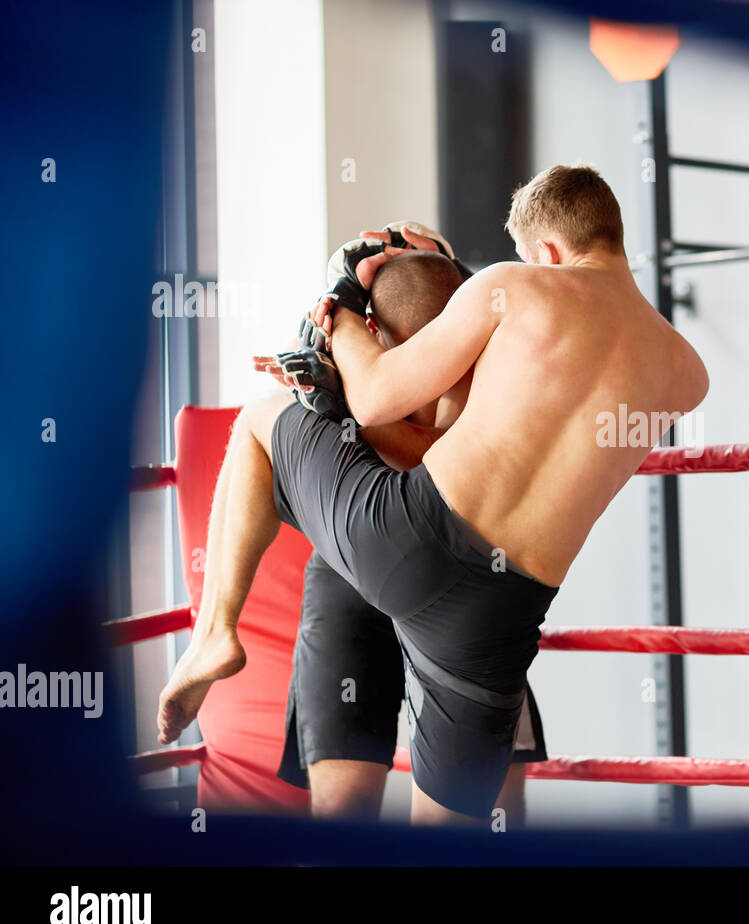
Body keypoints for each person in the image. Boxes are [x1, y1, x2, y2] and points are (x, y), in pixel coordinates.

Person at [156, 164, 710, 824]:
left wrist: (339, 299)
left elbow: (375, 394)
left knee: (260, 417)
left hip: (413, 537)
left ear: (547, 254)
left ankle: (214, 635)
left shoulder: (514, 289)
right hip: (502, 616)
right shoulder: (686, 371)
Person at [274, 226, 548, 822]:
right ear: (374, 328)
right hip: (355, 565)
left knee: (494, 808)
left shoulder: (492, 360)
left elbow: (442, 456)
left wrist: (340, 402)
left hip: (464, 571)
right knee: (342, 805)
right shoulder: (340, 350)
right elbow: (273, 440)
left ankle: (212, 637)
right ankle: (212, 638)